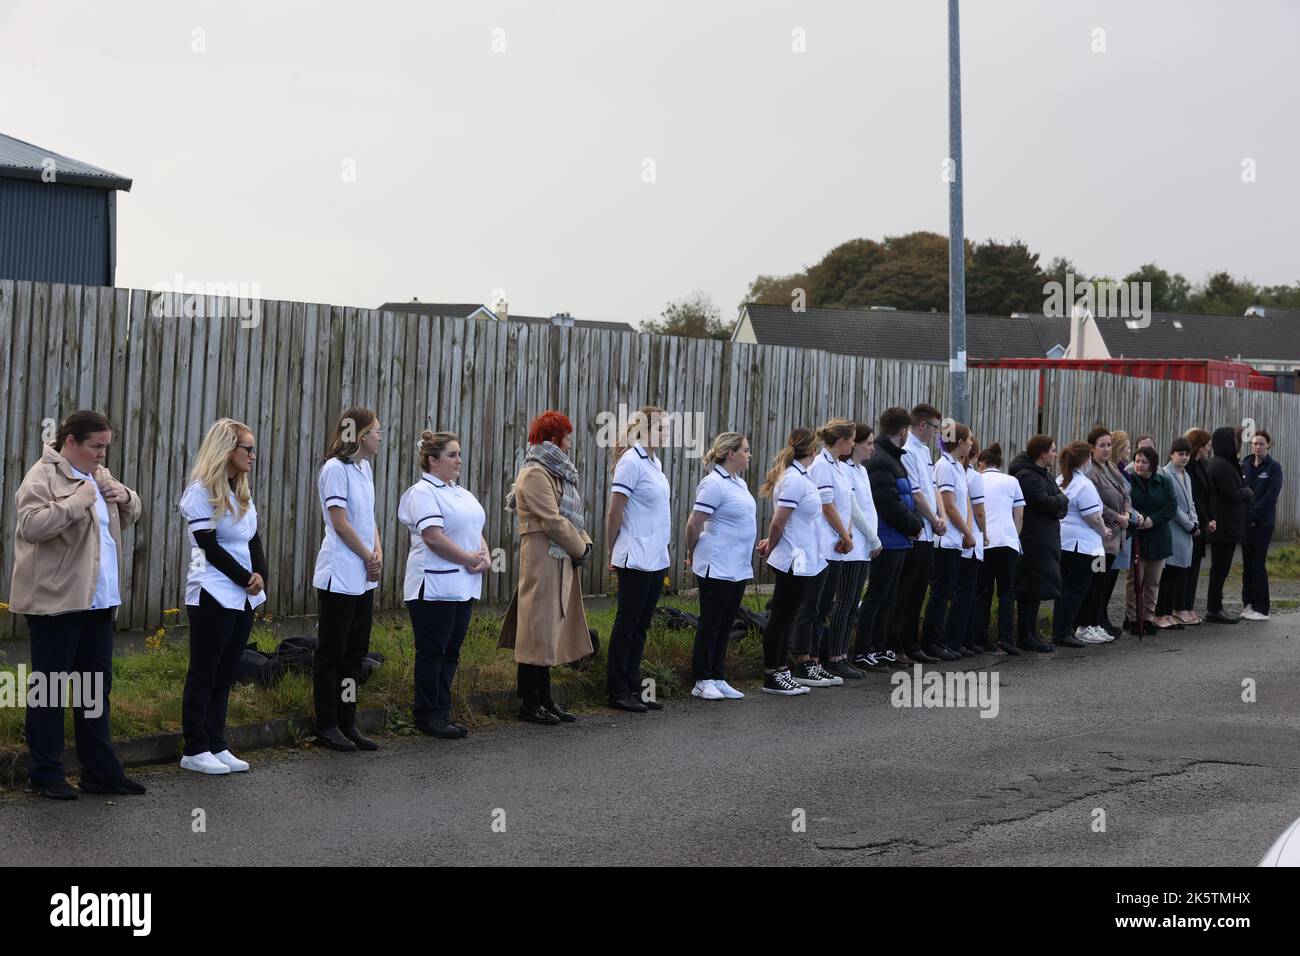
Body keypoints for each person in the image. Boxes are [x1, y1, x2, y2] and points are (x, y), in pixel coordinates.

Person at [11, 410, 145, 800]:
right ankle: (46, 774)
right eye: (95, 446)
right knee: (50, 690)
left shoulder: (99, 475)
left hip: (99, 602)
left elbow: (128, 515)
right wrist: (77, 500)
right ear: (70, 441)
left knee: (94, 691)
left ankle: (100, 773)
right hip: (57, 604)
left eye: (106, 447)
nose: (102, 454)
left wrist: (127, 497)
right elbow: (31, 526)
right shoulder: (43, 475)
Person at [179, 418, 268, 774]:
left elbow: (253, 539)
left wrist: (261, 575)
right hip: (211, 593)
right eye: (248, 449)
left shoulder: (240, 491)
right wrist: (246, 577)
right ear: (227, 450)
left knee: (226, 671)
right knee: (205, 671)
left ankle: (217, 743)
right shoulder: (199, 492)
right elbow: (208, 547)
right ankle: (194, 748)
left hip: (243, 596)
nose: (253, 456)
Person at [500, 412, 595, 723]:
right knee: (536, 629)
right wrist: (580, 547)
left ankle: (545, 698)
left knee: (549, 626)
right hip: (543, 555)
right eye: (567, 438)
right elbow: (553, 520)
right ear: (554, 440)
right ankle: (530, 702)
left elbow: (571, 517)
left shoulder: (556, 472)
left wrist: (584, 542)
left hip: (558, 555)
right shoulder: (536, 473)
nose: (570, 445)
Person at [398, 431, 489, 738]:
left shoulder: (461, 493)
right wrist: (467, 558)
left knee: (451, 650)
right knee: (432, 650)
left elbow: (475, 527)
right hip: (433, 586)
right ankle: (427, 714)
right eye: (452, 455)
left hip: (463, 584)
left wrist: (485, 556)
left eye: (459, 454)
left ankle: (442, 710)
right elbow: (433, 536)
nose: (459, 460)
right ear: (432, 461)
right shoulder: (423, 492)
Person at [311, 408, 382, 752]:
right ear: (361, 434)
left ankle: (347, 720)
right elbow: (340, 523)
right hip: (339, 574)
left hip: (363, 577)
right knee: (332, 654)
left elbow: (368, 519)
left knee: (355, 653)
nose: (380, 436)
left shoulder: (364, 469)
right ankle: (326, 723)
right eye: (376, 431)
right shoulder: (335, 470)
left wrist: (377, 551)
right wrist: (367, 555)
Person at [606, 405, 672, 711]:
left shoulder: (654, 463)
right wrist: (612, 550)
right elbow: (615, 511)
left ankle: (636, 687)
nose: (666, 433)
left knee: (642, 624)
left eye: (666, 428)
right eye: (660, 428)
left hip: (656, 557)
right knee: (627, 623)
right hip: (634, 556)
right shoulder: (631, 461)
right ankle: (618, 690)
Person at [684, 432, 755, 700]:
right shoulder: (713, 484)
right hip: (717, 563)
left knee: (726, 621)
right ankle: (701, 679)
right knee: (711, 621)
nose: (749, 455)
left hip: (737, 565)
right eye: (745, 450)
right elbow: (694, 523)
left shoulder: (739, 483)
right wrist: (692, 552)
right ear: (731, 453)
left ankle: (717, 675)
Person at [755, 429, 825, 695]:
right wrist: (770, 544)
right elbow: (779, 520)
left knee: (788, 615)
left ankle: (781, 669)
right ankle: (773, 673)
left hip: (803, 558)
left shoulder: (802, 477)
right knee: (782, 617)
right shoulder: (794, 479)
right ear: (812, 451)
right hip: (791, 559)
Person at [853, 408, 922, 671]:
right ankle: (863, 649)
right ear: (904, 431)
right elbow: (887, 502)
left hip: (898, 538)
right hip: (888, 538)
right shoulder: (882, 460)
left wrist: (912, 523)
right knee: (878, 596)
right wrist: (913, 525)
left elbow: (904, 497)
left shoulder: (893, 458)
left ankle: (880, 648)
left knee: (889, 596)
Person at [887, 404, 947, 663]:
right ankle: (897, 644)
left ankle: (912, 644)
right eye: (935, 428)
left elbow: (932, 488)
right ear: (922, 425)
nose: (937, 434)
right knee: (905, 593)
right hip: (916, 532)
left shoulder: (924, 451)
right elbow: (915, 492)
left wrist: (940, 516)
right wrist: (932, 519)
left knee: (918, 592)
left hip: (928, 532)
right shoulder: (908, 451)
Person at [803, 419, 857, 680]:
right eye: (852, 439)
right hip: (824, 544)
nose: (854, 444)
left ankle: (816, 659)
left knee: (825, 607)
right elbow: (827, 506)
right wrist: (844, 535)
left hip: (838, 545)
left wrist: (847, 535)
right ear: (843, 441)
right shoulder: (822, 465)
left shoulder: (841, 466)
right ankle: (808, 659)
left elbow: (846, 505)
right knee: (815, 606)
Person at [826, 423, 882, 672]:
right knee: (845, 603)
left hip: (863, 548)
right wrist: (873, 538)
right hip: (853, 546)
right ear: (854, 444)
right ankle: (835, 657)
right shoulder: (846, 470)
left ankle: (842, 654)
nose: (872, 447)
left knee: (852, 603)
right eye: (868, 443)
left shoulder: (862, 471)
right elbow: (855, 511)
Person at [1009, 435, 1067, 653]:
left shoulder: (1044, 475)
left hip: (1046, 538)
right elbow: (1044, 502)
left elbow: (1061, 501)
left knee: (1039, 587)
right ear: (1042, 453)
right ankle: (1025, 634)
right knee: (1030, 588)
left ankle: (1032, 632)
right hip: (1033, 539)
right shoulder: (1027, 477)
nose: (1055, 453)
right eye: (1052, 450)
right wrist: (1058, 502)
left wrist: (1058, 502)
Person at [923, 423, 976, 660]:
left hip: (955, 540)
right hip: (945, 541)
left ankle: (942, 640)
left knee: (947, 592)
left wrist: (966, 531)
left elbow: (964, 503)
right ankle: (931, 641)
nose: (972, 444)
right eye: (969, 439)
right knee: (941, 593)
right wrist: (967, 532)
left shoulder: (957, 467)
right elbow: (949, 505)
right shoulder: (944, 466)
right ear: (960, 442)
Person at [1055, 441, 1110, 647]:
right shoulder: (1084, 484)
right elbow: (1093, 517)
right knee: (1082, 587)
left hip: (1064, 543)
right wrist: (1104, 531)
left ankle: (1062, 629)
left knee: (1065, 588)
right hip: (1087, 546)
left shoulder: (1061, 480)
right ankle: (1070, 629)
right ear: (1086, 460)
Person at [971, 443, 1023, 655]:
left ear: (981, 463)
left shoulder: (977, 479)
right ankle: (1006, 639)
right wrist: (1015, 537)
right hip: (1007, 541)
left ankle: (979, 639)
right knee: (1007, 591)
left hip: (984, 542)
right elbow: (1019, 515)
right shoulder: (1012, 481)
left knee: (982, 592)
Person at [1082, 427, 1129, 638]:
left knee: (1106, 582)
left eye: (1109, 445)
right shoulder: (1090, 472)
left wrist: (1127, 512)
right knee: (1096, 581)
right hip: (1099, 539)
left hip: (1116, 537)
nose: (1107, 449)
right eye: (1102, 445)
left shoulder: (1111, 467)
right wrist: (1116, 517)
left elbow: (1125, 491)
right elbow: (1097, 504)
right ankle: (1089, 622)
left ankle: (1100, 620)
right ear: (1092, 448)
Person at [1204, 426, 1253, 624]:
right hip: (1225, 527)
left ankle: (1215, 607)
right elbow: (1231, 494)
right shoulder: (1222, 466)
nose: (1236, 444)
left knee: (1220, 569)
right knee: (1220, 569)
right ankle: (1214, 609)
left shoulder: (1221, 463)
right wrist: (1248, 492)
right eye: (1233, 440)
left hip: (1226, 525)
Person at [1127, 446, 1177, 634]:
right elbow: (1127, 503)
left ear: (1152, 464)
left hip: (1159, 536)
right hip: (1138, 535)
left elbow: (1171, 505)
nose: (1139, 465)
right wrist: (1140, 518)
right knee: (1134, 580)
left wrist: (1152, 520)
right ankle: (1133, 618)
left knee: (1153, 581)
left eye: (1144, 462)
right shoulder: (1130, 481)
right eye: (1137, 461)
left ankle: (1148, 617)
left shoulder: (1163, 481)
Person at [1155, 438, 1199, 630]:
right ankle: (1160, 613)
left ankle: (1169, 612)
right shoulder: (1165, 473)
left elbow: (1190, 503)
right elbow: (1171, 506)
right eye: (1180, 453)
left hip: (1186, 531)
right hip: (1174, 529)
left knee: (1178, 574)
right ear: (1172, 454)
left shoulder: (1186, 475)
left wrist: (1196, 520)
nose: (1184, 457)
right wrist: (1190, 525)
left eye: (1187, 454)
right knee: (1167, 574)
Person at [1241, 429, 1283, 621]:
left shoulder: (1274, 467)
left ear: (1268, 445)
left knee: (1258, 563)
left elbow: (1270, 497)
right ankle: (1248, 604)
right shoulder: (1245, 464)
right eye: (1254, 444)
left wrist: (1252, 515)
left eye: (1261, 444)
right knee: (1247, 564)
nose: (1257, 447)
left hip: (1263, 522)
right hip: (1245, 522)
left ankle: (1262, 608)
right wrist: (1245, 516)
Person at [1183, 428, 1214, 624]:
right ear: (1199, 447)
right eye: (1207, 447)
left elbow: (1206, 496)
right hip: (1192, 523)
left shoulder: (1201, 465)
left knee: (1194, 567)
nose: (1209, 450)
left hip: (1202, 523)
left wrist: (1210, 519)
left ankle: (1189, 606)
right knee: (1186, 568)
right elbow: (1193, 499)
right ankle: (1182, 607)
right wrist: (1205, 521)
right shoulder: (1188, 469)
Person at [959, 437, 987, 655]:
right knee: (967, 592)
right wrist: (984, 533)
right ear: (976, 455)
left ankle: (958, 640)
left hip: (953, 539)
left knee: (956, 592)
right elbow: (978, 510)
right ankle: (965, 640)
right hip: (970, 538)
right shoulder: (974, 477)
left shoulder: (952, 471)